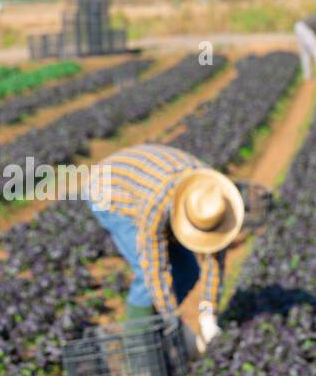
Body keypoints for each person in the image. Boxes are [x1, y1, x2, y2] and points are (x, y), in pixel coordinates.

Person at [88, 143, 244, 352]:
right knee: (145, 278)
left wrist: (209, 316)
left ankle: (157, 325)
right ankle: (140, 351)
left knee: (188, 271)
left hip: (146, 182)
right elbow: (154, 269)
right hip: (110, 191)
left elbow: (214, 263)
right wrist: (174, 321)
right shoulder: (157, 208)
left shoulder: (213, 198)